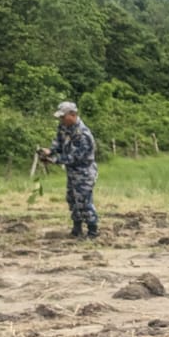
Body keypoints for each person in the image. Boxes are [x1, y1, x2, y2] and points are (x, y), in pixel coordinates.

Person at [37, 101, 99, 239]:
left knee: (84, 201)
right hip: (72, 171)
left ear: (73, 115)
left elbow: (75, 157)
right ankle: (77, 229)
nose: (61, 120)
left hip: (84, 171)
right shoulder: (64, 126)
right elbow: (58, 141)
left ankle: (92, 231)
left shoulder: (83, 134)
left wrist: (54, 160)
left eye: (63, 117)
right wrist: (49, 151)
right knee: (72, 199)